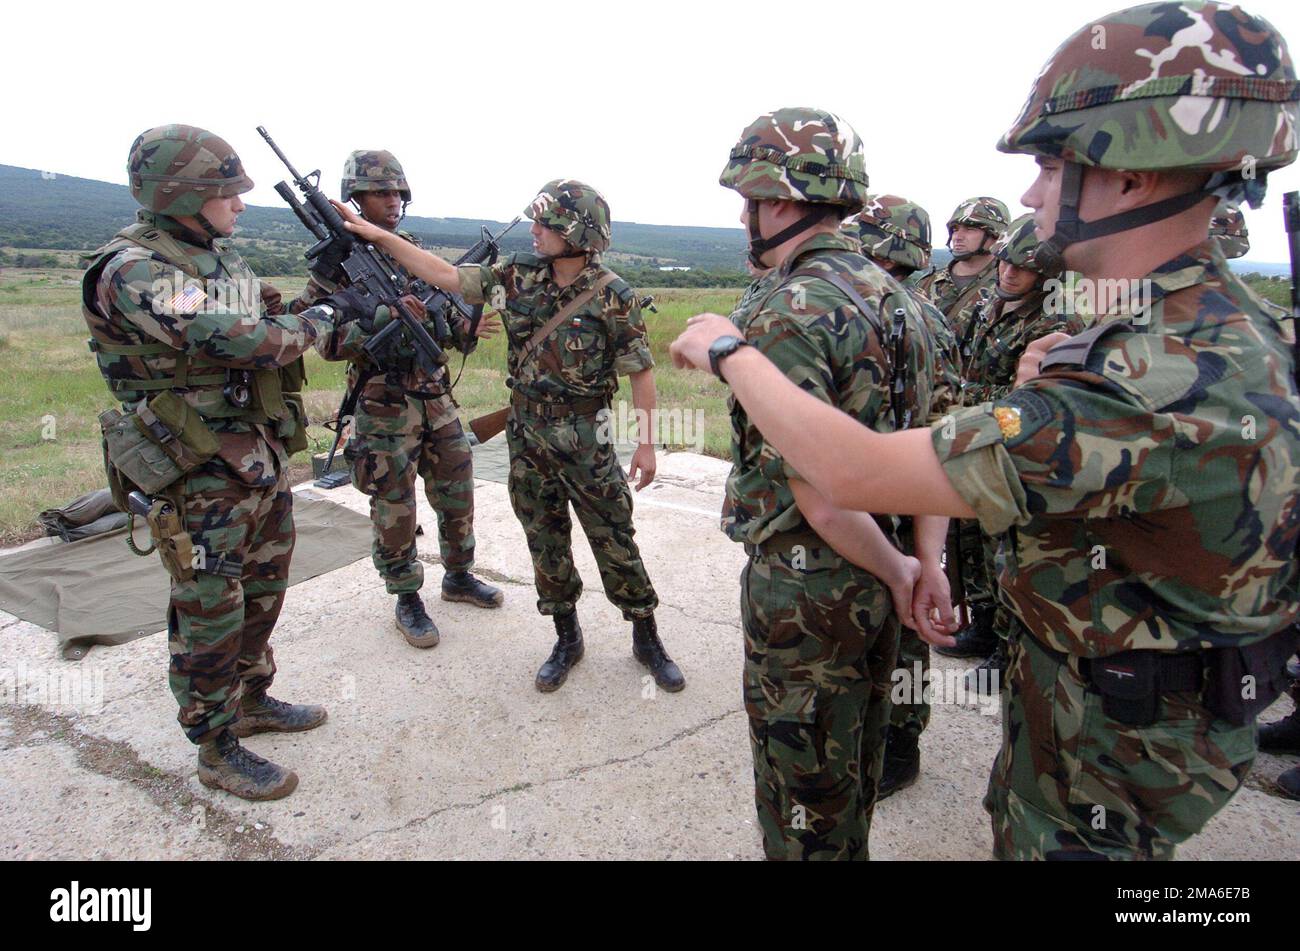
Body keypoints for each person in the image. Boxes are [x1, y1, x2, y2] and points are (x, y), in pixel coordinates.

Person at [672, 1, 1300, 860]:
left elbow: (847, 474)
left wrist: (726, 346)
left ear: (1134, 172)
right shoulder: (1220, 330)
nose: (1032, 193)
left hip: (1103, 771)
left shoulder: (1149, 381)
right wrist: (920, 561)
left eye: (1052, 164)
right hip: (1116, 731)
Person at [83, 125, 359, 800]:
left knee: (263, 586)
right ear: (180, 195)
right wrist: (316, 323)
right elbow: (236, 337)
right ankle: (215, 743)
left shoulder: (219, 259)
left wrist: (335, 290)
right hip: (195, 467)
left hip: (253, 459)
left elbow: (270, 312)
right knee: (210, 605)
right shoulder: (135, 271)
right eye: (226, 192)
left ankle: (252, 697)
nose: (240, 204)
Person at [331, 180, 685, 693]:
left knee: (613, 536)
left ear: (576, 233)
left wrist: (647, 443)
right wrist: (375, 236)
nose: (535, 231)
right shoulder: (516, 278)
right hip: (527, 435)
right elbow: (447, 276)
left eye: (545, 224)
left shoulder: (614, 295)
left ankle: (645, 635)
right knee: (544, 538)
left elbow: (640, 373)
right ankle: (567, 636)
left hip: (586, 437)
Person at [713, 107, 942, 859]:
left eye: (748, 201)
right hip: (883, 576)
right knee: (852, 768)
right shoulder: (905, 300)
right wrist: (920, 564)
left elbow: (820, 491)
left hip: (810, 592)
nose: (746, 219)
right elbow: (931, 451)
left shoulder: (788, 309)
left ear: (774, 201)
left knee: (802, 798)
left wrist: (899, 568)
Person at [292, 150, 503, 649]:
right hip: (383, 401)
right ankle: (406, 595)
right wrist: (382, 322)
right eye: (380, 194)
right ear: (355, 200)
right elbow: (322, 341)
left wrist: (462, 324)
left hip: (435, 394)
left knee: (457, 489)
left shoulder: (407, 249)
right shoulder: (335, 268)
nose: (392, 202)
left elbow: (445, 319)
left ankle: (459, 575)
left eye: (397, 194)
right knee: (394, 505)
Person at [845, 195, 960, 798]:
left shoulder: (894, 316)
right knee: (906, 624)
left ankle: (897, 745)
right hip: (898, 507)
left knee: (899, 634)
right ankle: (889, 741)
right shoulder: (928, 319)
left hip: (868, 508)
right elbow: (943, 448)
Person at [941, 214, 1087, 688]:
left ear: (1047, 277)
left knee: (1003, 548)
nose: (1009, 273)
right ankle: (981, 626)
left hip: (1010, 445)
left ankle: (1008, 650)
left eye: (1023, 269)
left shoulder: (1057, 322)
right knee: (964, 539)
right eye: (1006, 262)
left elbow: (1034, 400)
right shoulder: (986, 304)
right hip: (967, 437)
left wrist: (969, 403)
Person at [915, 196, 1010, 342]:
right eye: (955, 229)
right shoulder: (926, 284)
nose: (957, 237)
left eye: (970, 229)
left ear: (995, 235)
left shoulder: (1008, 287)